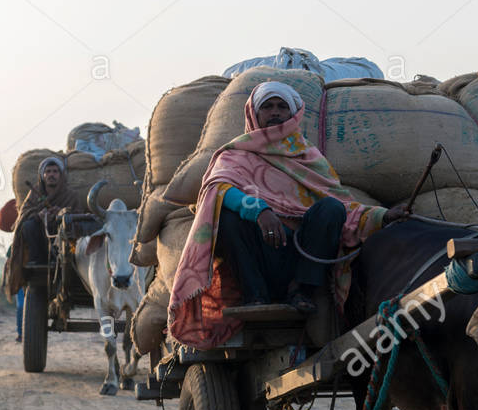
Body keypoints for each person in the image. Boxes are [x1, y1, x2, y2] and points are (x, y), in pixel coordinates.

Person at [168, 81, 412, 348]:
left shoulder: (309, 157)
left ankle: (301, 290)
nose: (275, 112)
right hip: (258, 257)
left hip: (302, 256)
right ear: (254, 114)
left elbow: (343, 206)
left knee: (330, 209)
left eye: (282, 106)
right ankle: (256, 295)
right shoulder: (235, 155)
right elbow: (217, 188)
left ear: (294, 113)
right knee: (222, 213)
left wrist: (383, 217)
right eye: (268, 106)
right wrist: (259, 211)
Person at [4, 156, 86, 297]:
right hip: (40, 240)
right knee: (28, 225)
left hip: (64, 244)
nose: (51, 175)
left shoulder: (71, 195)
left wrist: (61, 214)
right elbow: (24, 213)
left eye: (55, 171)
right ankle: (37, 260)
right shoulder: (34, 193)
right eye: (48, 171)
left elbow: (80, 216)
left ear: (61, 175)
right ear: (43, 175)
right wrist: (39, 215)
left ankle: (63, 259)